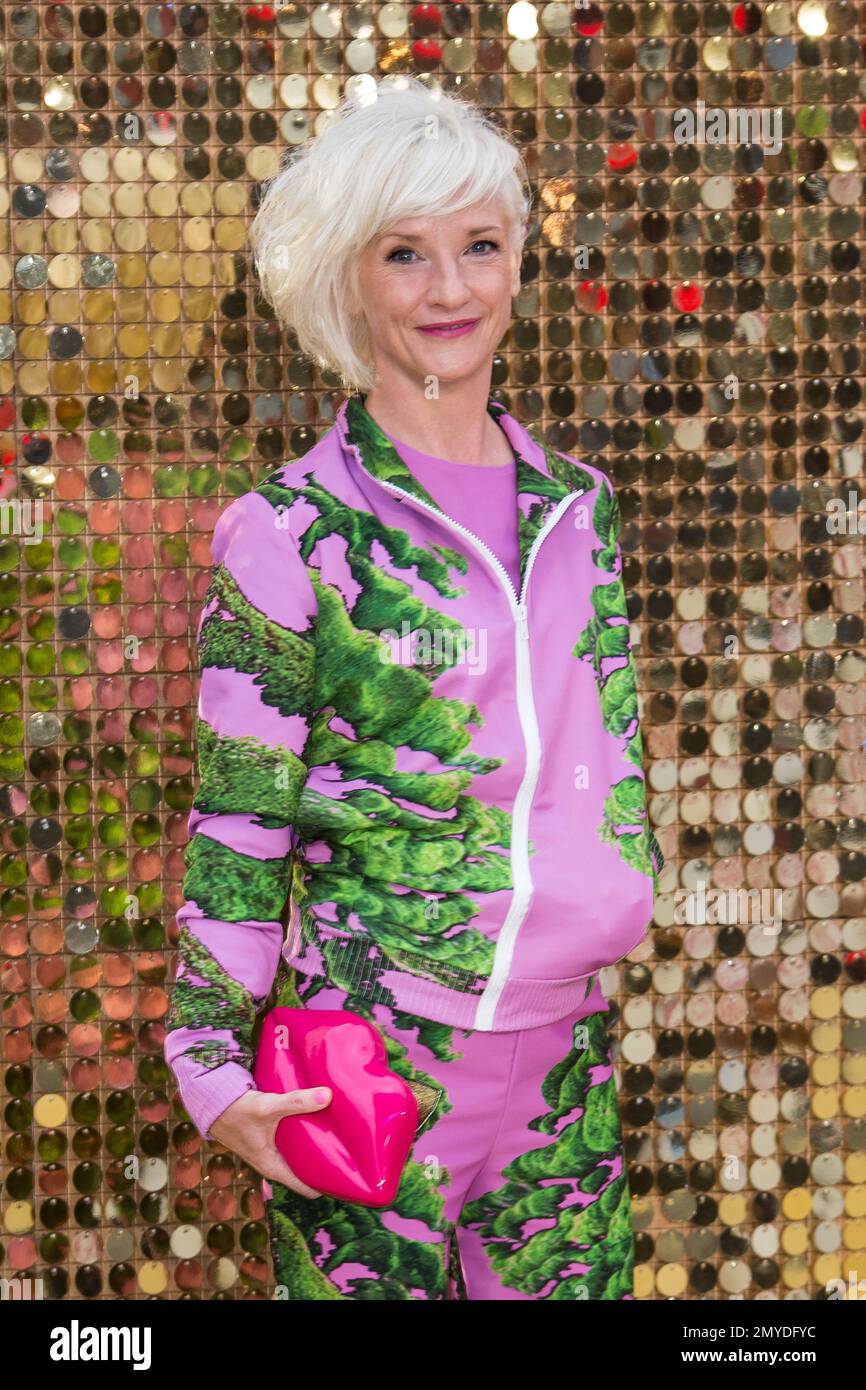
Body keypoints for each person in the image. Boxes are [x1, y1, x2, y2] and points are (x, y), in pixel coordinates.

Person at [164, 75, 663, 1301]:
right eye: (405, 253)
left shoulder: (580, 510)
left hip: (566, 1069)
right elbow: (238, 821)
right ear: (349, 280)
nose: (449, 289)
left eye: (477, 246)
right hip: (368, 1070)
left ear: (512, 264)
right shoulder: (289, 533)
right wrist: (212, 1069)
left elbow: (597, 757)